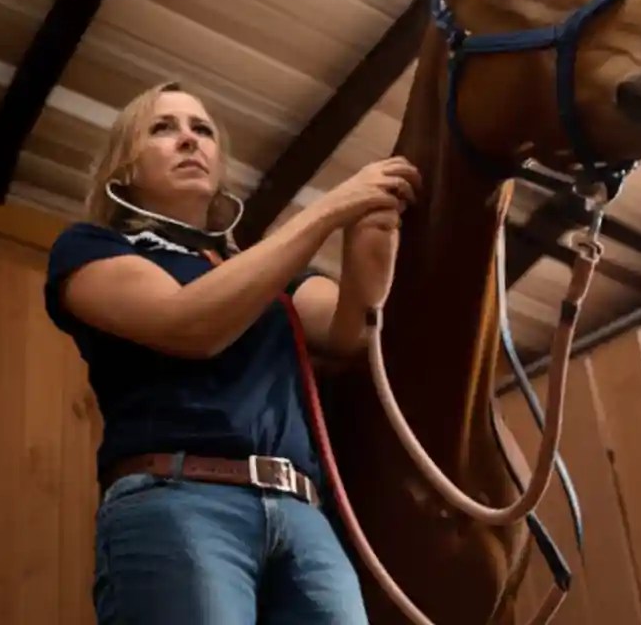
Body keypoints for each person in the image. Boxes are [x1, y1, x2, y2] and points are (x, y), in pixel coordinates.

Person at [43, 80, 421, 624]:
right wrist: (329, 210)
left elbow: (349, 333)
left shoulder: (268, 271)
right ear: (122, 169)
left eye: (202, 130)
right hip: (179, 501)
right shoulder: (90, 248)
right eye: (163, 128)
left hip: (304, 516)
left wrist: (370, 246)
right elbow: (190, 325)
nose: (189, 140)